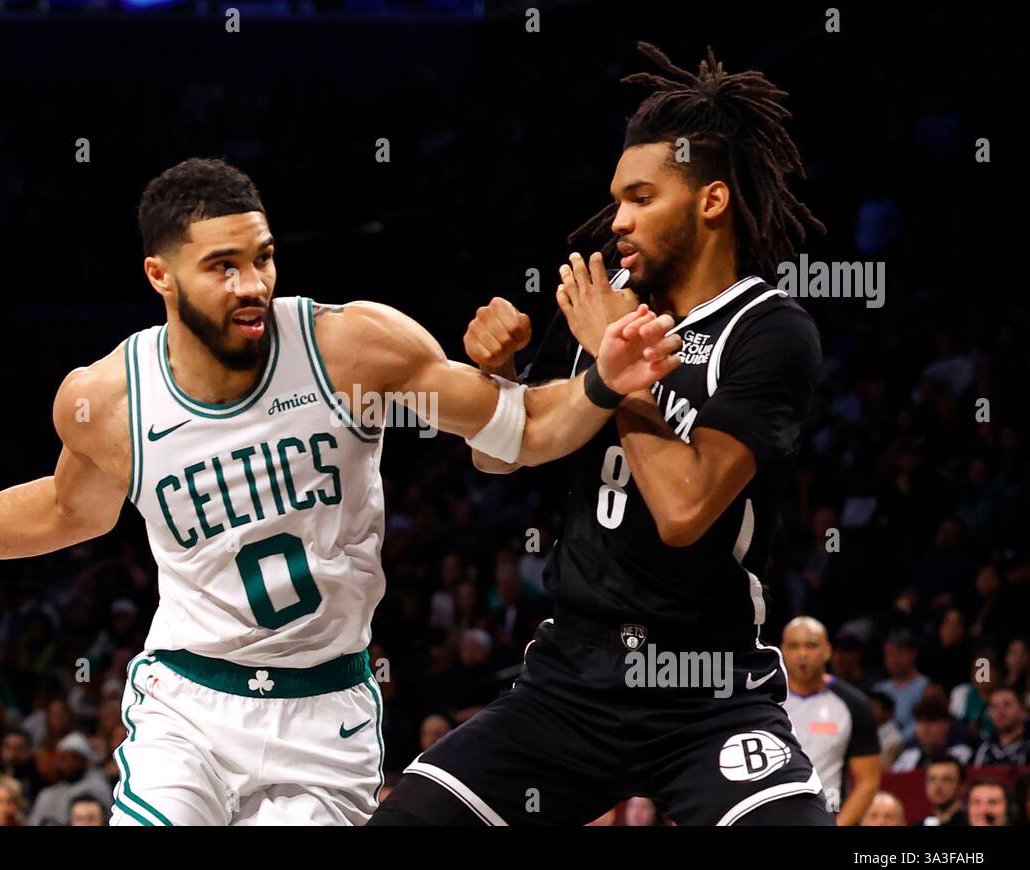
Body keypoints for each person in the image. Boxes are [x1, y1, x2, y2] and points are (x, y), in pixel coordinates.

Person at [0, 158, 678, 827]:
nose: (252, 284)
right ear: (160, 277)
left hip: (326, 710)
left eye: (261, 258)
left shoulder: (353, 351)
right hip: (189, 701)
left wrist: (600, 383)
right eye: (222, 266)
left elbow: (520, 432)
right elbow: (67, 508)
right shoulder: (109, 398)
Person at [371, 42, 830, 826]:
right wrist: (504, 381)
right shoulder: (606, 304)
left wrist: (624, 375)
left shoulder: (770, 330)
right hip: (572, 678)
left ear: (711, 201)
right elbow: (499, 454)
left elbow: (686, 512)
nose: (617, 220)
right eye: (617, 198)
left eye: (642, 197)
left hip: (708, 687)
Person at [781, 617, 880, 824]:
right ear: (782, 651)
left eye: (811, 645)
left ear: (827, 650)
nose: (803, 654)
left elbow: (868, 781)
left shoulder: (854, 704)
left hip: (826, 814)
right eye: (794, 646)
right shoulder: (765, 702)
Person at [28, 731, 113, 826]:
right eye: (63, 758)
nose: (68, 764)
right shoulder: (46, 794)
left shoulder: (98, 787)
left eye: (73, 758)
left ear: (84, 761)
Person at [873, 631, 930, 736]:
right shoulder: (879, 689)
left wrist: (899, 741)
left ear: (913, 653)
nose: (894, 659)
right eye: (889, 653)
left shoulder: (926, 687)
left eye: (899, 652)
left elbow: (923, 723)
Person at [914, 756, 967, 827]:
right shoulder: (920, 824)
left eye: (946, 779)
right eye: (932, 779)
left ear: (961, 786)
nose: (938, 786)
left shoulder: (973, 822)